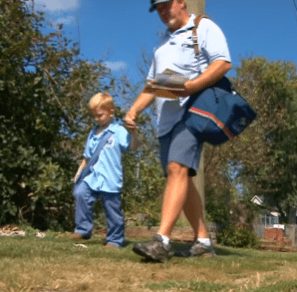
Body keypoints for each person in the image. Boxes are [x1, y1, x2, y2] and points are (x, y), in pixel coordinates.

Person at [124, 0, 232, 262]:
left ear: (181, 2)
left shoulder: (202, 27)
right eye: (158, 9)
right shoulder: (162, 46)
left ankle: (161, 241)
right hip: (165, 120)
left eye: (166, 6)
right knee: (181, 178)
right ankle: (204, 242)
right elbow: (152, 85)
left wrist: (193, 85)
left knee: (177, 169)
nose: (162, 12)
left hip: (193, 112)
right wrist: (134, 110)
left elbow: (222, 63)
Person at [71, 92, 140, 248]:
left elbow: (133, 147)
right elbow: (87, 157)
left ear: (111, 112)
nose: (97, 119)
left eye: (100, 115)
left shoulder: (119, 131)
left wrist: (134, 132)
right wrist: (79, 172)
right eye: (94, 116)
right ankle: (83, 229)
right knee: (80, 193)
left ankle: (115, 239)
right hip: (92, 177)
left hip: (110, 178)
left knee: (112, 210)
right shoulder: (93, 133)